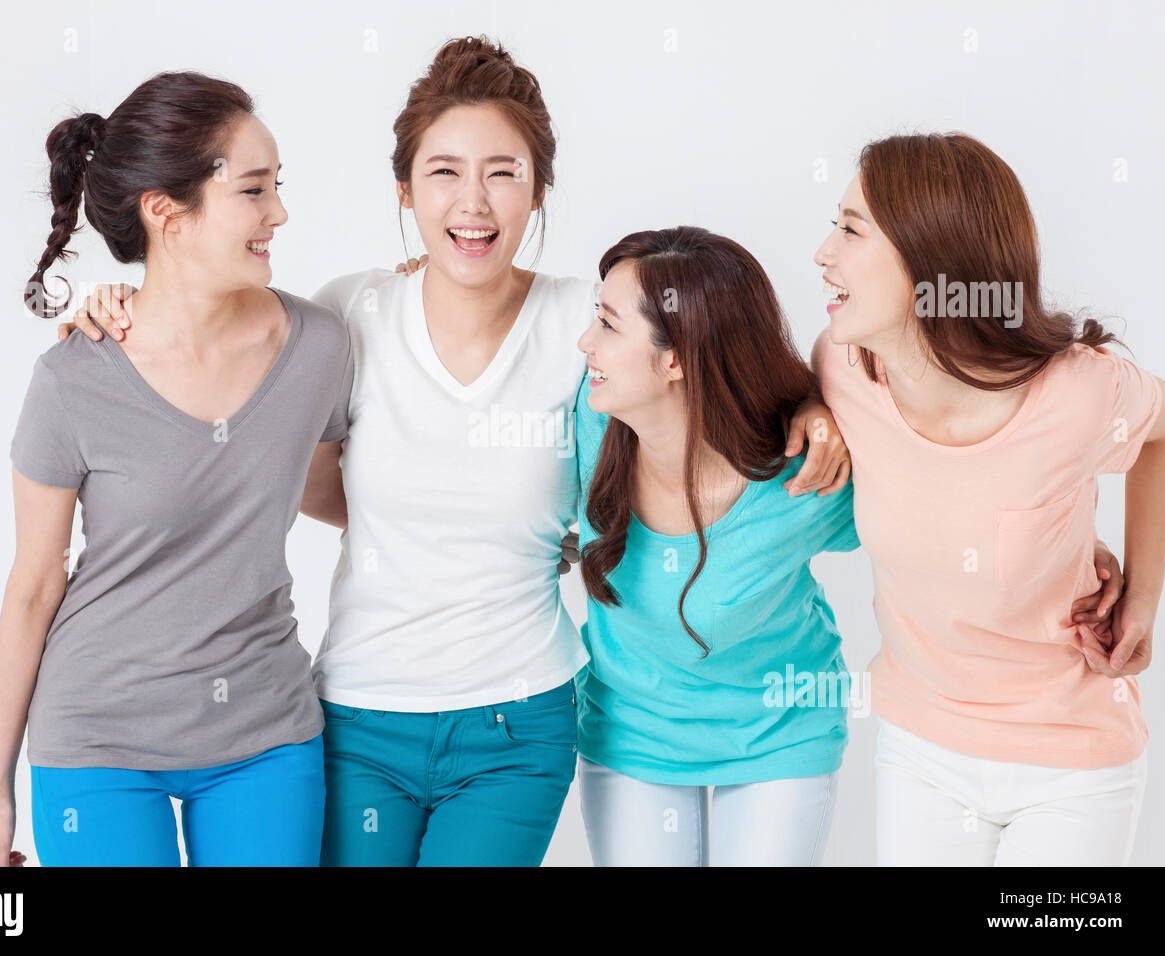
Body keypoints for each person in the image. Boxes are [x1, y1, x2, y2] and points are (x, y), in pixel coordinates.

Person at [59, 37, 845, 866]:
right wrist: (121, 299)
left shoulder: (588, 326)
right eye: (444, 172)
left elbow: (712, 377)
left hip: (519, 720)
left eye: (504, 171)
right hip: (357, 715)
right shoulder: (347, 317)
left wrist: (814, 406)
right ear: (404, 188)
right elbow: (261, 415)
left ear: (538, 190)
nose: (475, 202)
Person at [0, 71, 351, 867]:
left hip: (264, 729)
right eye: (254, 191)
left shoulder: (321, 345)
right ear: (165, 212)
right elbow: (35, 584)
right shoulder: (74, 377)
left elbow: (328, 490)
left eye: (278, 186)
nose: (279, 212)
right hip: (98, 734)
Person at [810, 131, 1165, 865]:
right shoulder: (842, 368)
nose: (823, 253)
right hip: (920, 748)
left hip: (1073, 759)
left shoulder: (1076, 393)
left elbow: (1164, 432)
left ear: (929, 256)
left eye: (850, 229)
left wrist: (1143, 596)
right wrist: (809, 418)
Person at [572, 226, 858, 866]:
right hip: (631, 740)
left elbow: (933, 512)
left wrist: (1074, 549)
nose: (585, 343)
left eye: (609, 327)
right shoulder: (588, 420)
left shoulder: (802, 475)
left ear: (676, 359)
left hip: (777, 739)